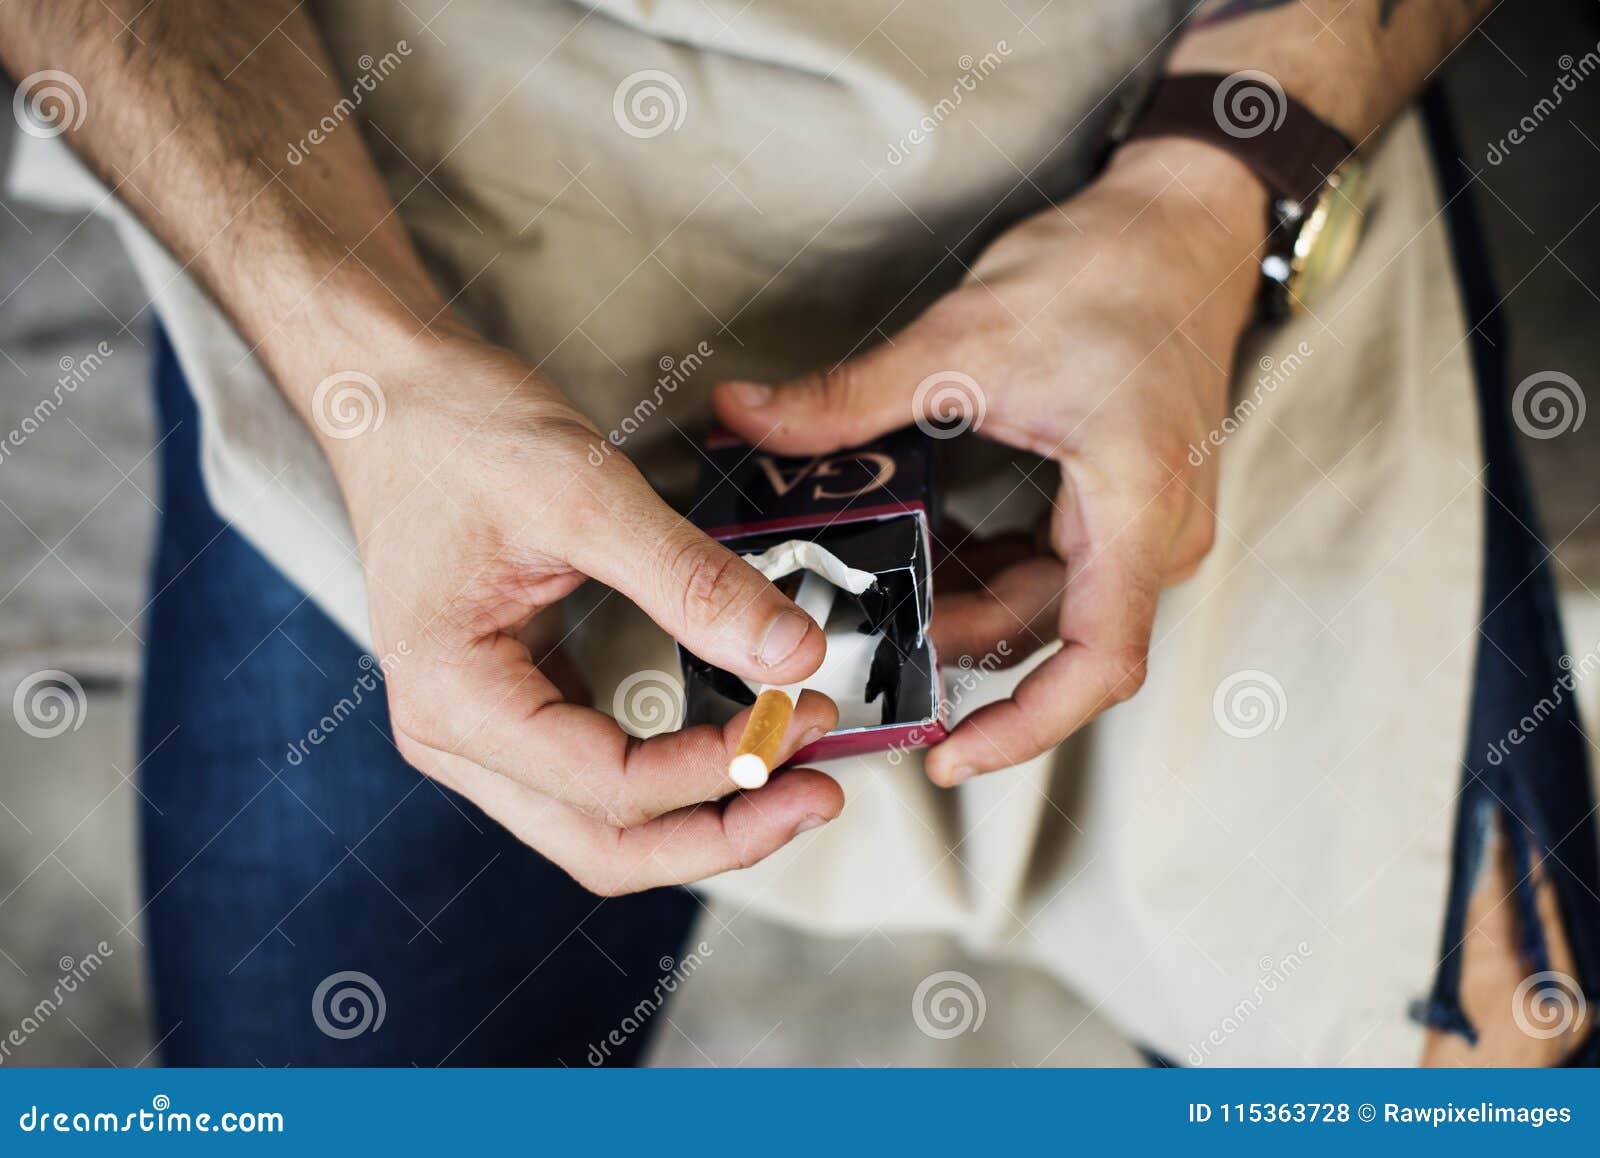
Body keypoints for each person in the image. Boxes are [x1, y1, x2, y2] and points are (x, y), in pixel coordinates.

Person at [3, 0, 1593, 1066]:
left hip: (1180, 173)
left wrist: (1226, 168)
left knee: (1478, 1057)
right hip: (395, 254)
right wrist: (358, 365)